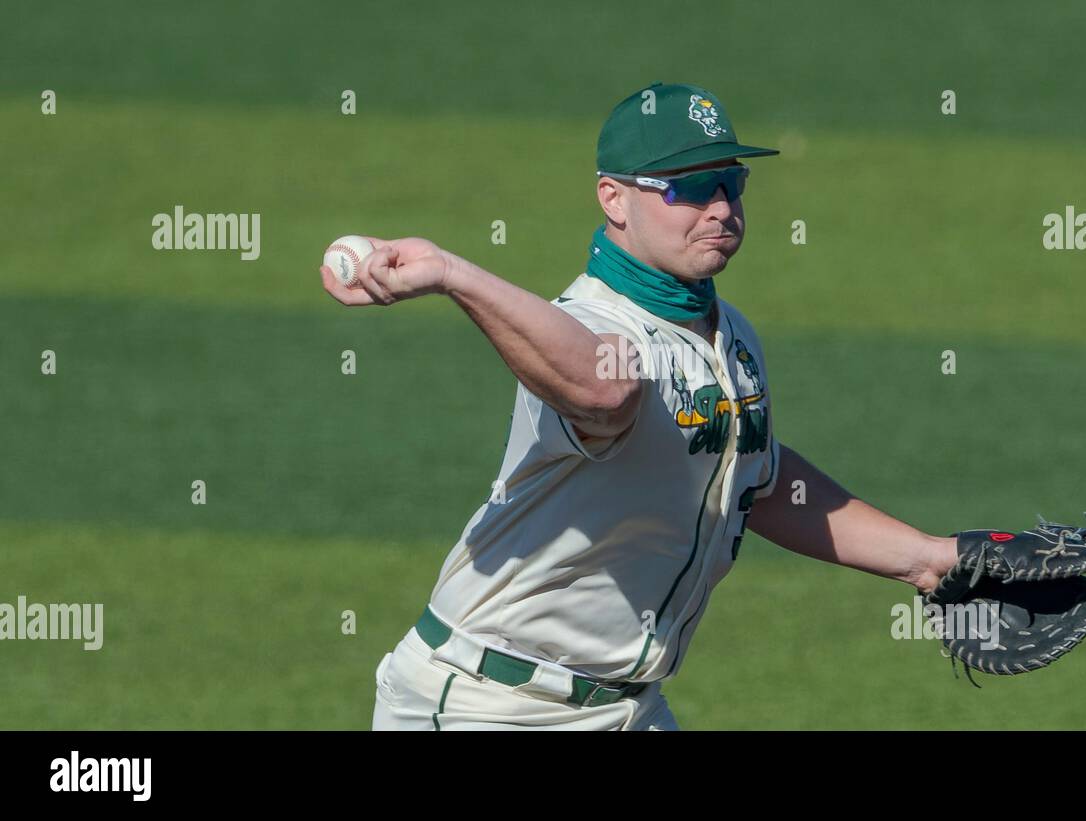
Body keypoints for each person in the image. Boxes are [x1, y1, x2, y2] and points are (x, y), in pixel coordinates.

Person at [320, 82, 958, 730]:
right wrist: (451, 274)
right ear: (613, 198)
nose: (720, 207)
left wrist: (928, 559)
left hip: (628, 709)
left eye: (731, 183)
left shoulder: (729, 336)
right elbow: (607, 389)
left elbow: (759, 482)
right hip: (488, 701)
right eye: (690, 187)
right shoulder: (591, 322)